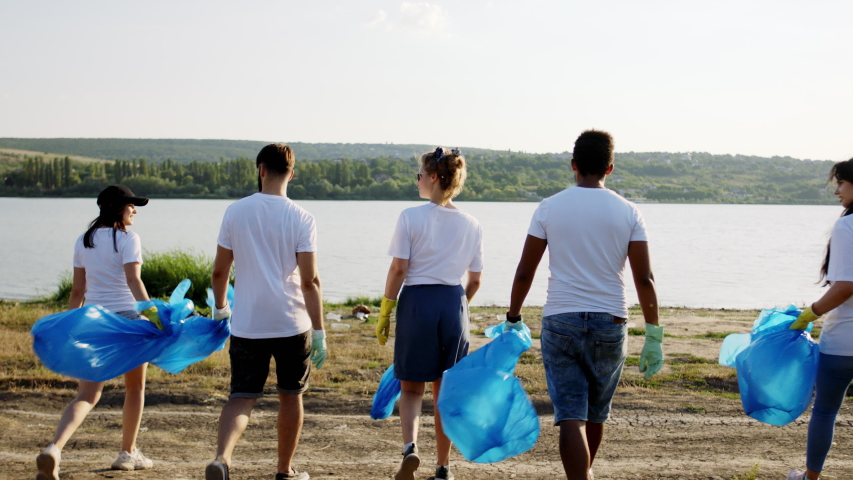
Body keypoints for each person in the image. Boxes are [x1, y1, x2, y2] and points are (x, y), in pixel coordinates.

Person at [506, 130, 662, 480]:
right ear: (610, 168)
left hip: (561, 321)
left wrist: (513, 316)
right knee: (595, 414)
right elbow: (644, 279)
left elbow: (524, 272)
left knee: (570, 416)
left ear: (573, 165)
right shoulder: (629, 212)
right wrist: (654, 333)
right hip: (611, 322)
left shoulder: (549, 207)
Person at [205, 143, 327, 480]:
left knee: (241, 398)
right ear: (292, 174)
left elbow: (219, 272)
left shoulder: (235, 212)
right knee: (290, 396)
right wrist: (319, 332)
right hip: (292, 323)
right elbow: (310, 281)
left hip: (248, 324)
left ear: (261, 170)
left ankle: (222, 459)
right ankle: (285, 470)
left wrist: (220, 310)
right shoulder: (302, 217)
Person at [376, 147, 483, 480]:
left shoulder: (411, 216)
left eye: (420, 175)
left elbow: (399, 269)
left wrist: (385, 309)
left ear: (434, 177)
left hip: (417, 302)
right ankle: (443, 467)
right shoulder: (472, 224)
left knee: (411, 389)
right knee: (444, 393)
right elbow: (476, 279)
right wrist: (457, 305)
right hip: (453, 302)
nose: (417, 181)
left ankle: (410, 449)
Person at [35, 185, 155, 480]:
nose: (135, 210)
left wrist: (70, 324)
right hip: (128, 321)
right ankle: (127, 454)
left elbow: (78, 291)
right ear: (118, 209)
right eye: (131, 206)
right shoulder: (129, 239)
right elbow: (133, 281)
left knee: (87, 394)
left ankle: (54, 448)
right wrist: (154, 314)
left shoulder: (83, 240)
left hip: (94, 321)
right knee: (135, 389)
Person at [787, 158, 853, 480]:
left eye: (841, 183)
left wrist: (810, 313)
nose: (837, 191)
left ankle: (810, 479)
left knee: (825, 410)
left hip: (844, 342)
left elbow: (845, 286)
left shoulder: (847, 225)